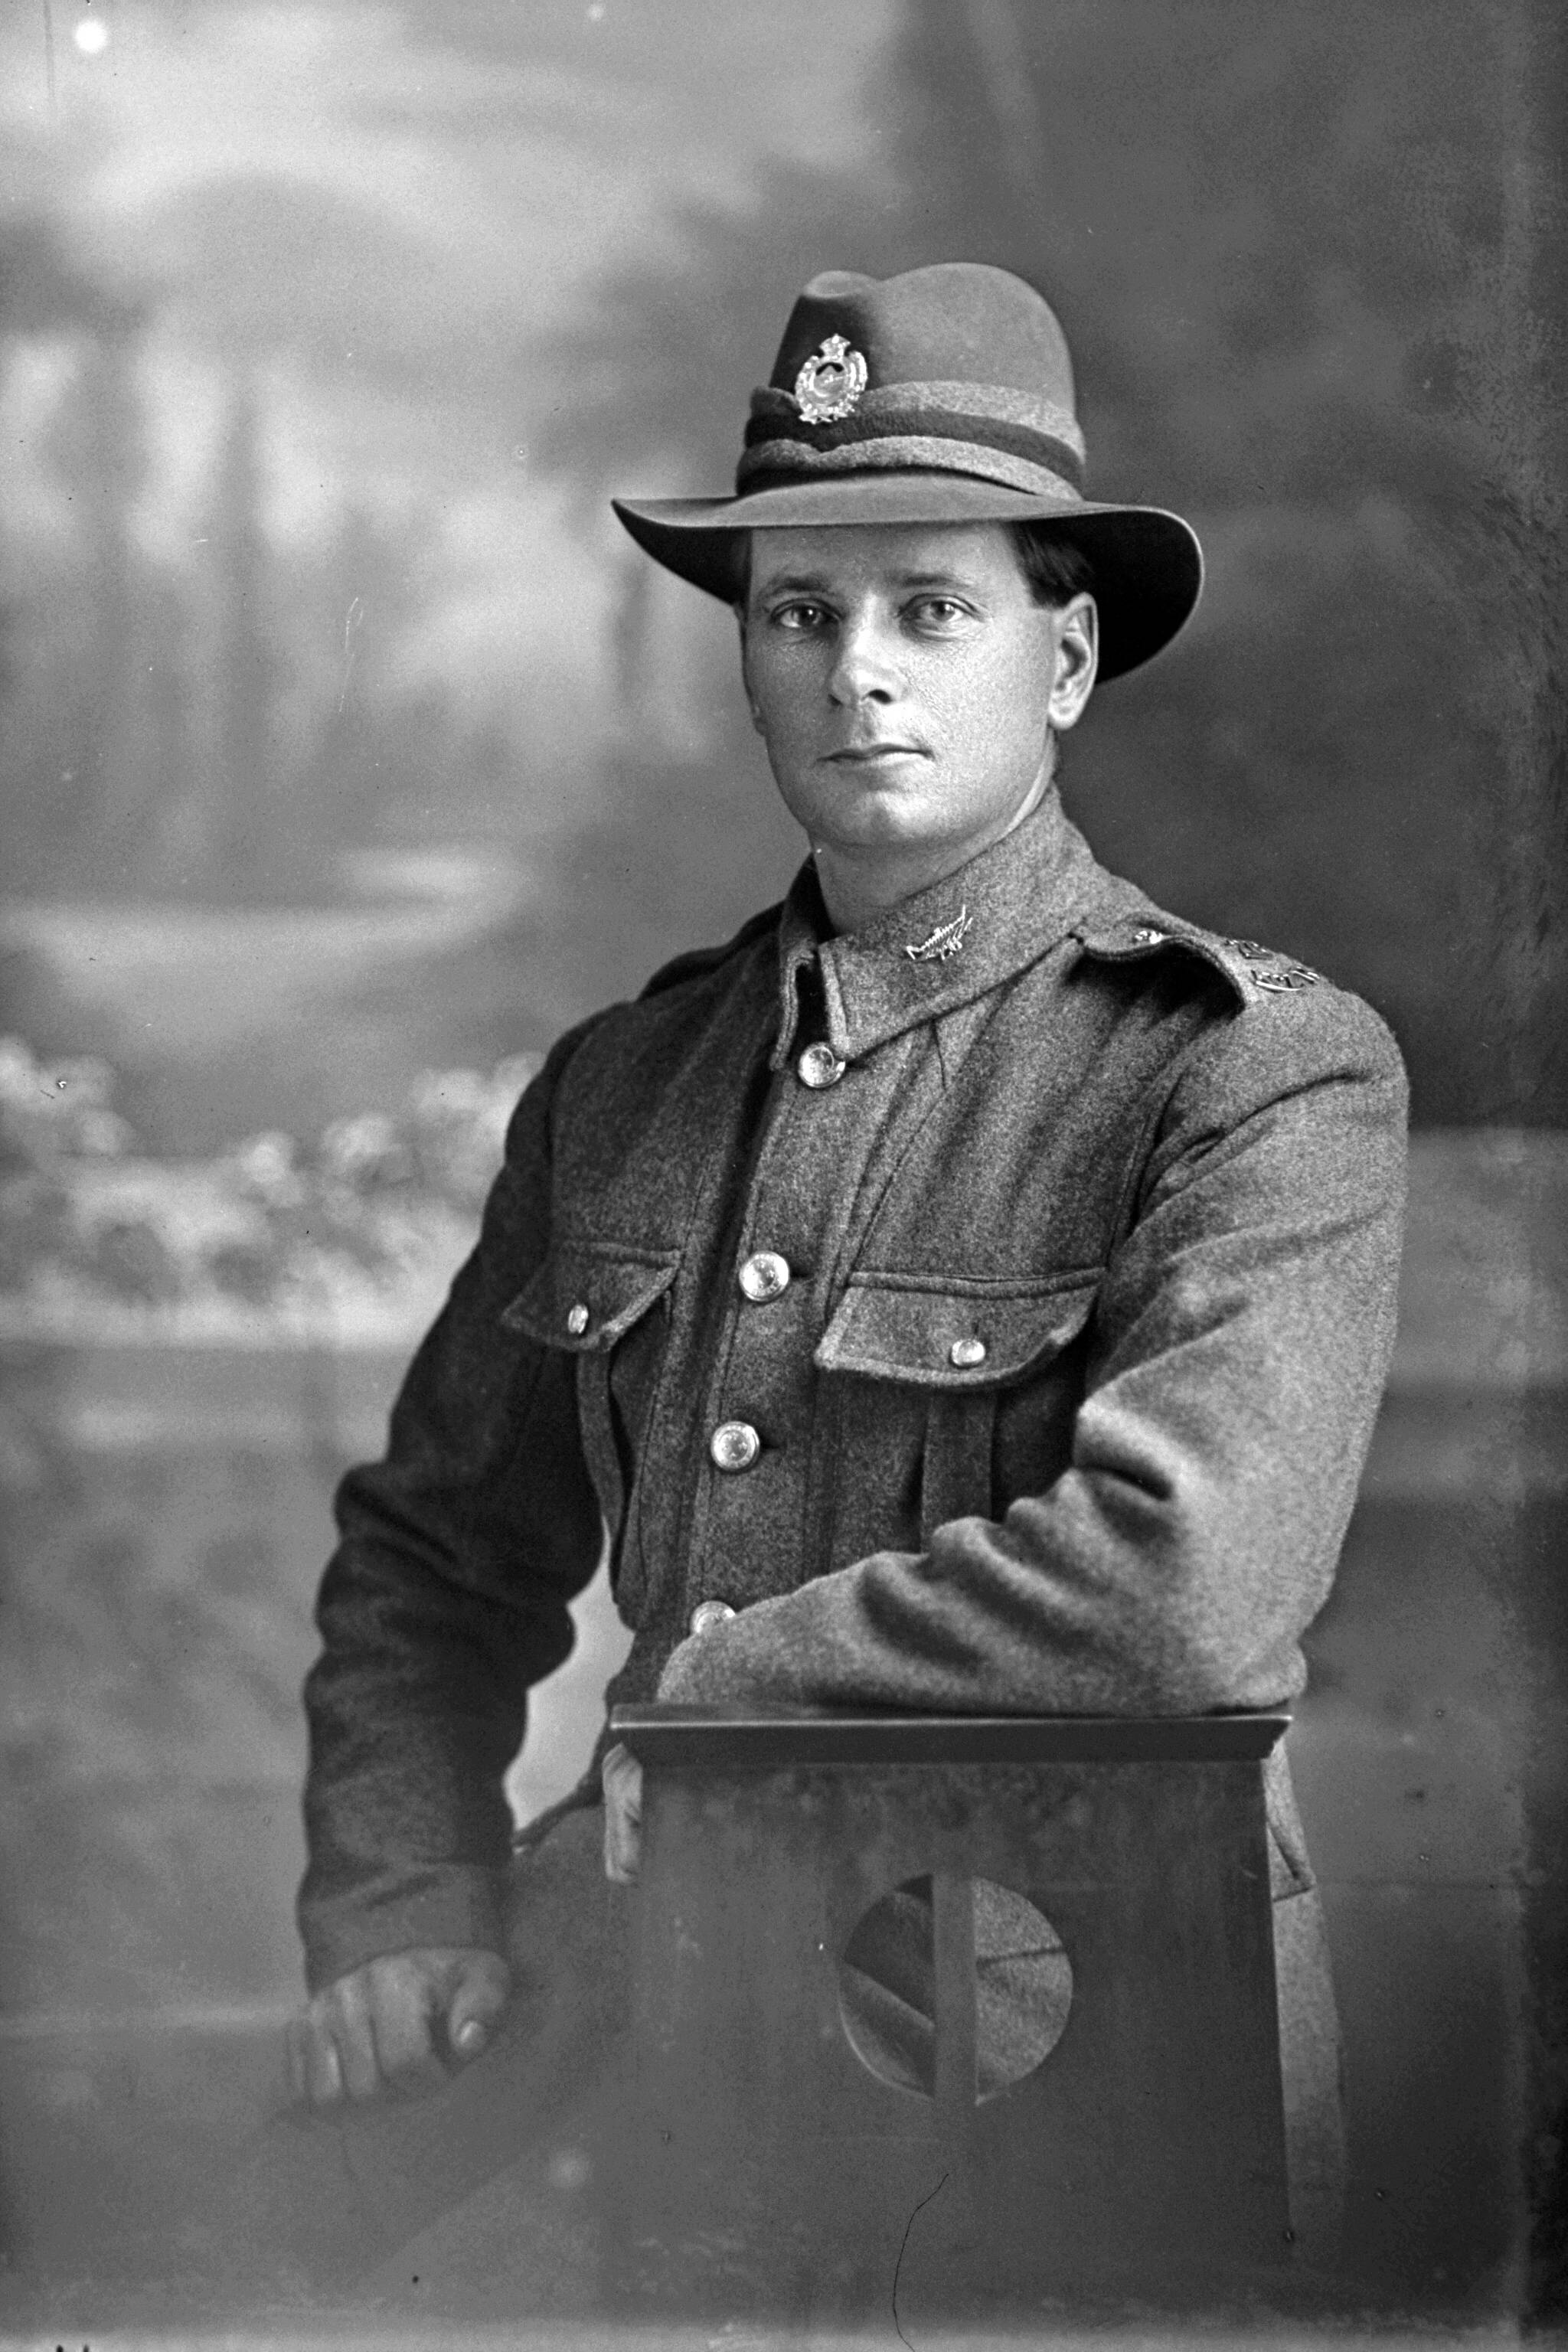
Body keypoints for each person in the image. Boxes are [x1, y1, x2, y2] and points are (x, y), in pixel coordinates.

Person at [276, 263, 1407, 2305]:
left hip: (1109, 2055)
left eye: (931, 612)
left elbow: (1187, 1593)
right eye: (797, 616)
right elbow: (433, 1561)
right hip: (674, 2066)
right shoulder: (625, 1088)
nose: (857, 672)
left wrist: (714, 1695)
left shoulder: (1241, 1064)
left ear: (1062, 664)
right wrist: (402, 1890)